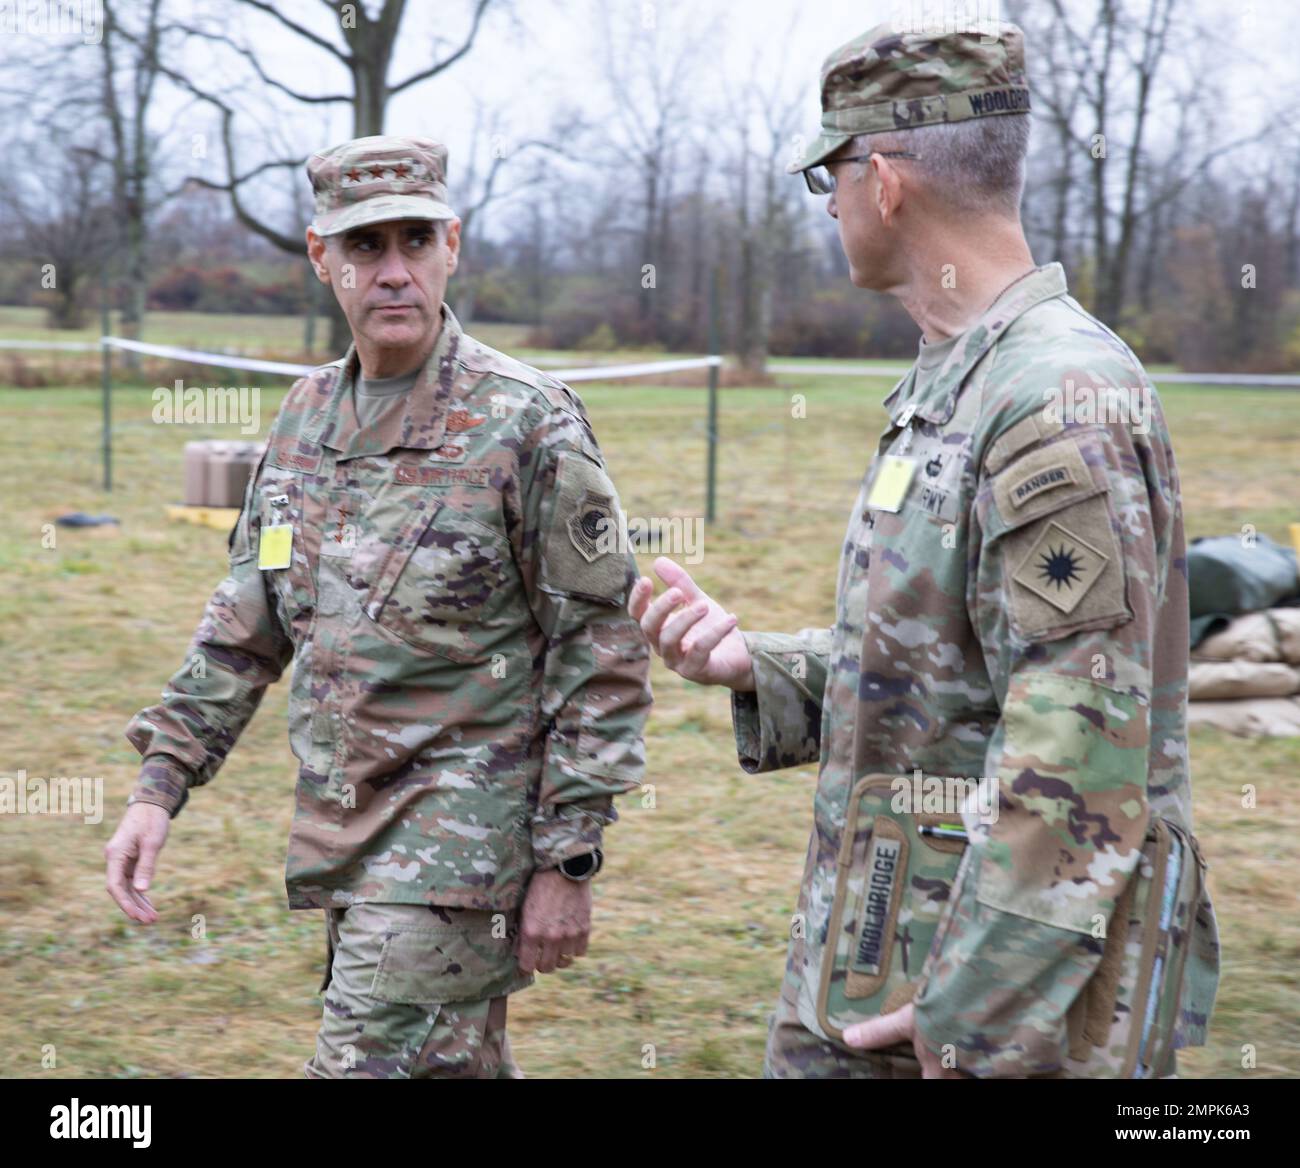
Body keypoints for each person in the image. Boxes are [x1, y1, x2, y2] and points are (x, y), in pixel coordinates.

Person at [630, 23, 1219, 1078]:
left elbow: (1078, 744)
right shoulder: (962, 376)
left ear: (885, 181)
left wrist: (974, 1016)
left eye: (829, 176)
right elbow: (958, 673)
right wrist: (754, 664)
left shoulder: (1051, 401)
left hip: (976, 1007)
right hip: (893, 952)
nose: (830, 206)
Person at [107, 135, 653, 1079]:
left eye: (414, 242)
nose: (393, 272)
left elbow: (599, 646)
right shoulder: (305, 417)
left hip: (456, 856)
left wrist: (570, 859)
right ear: (323, 260)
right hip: (344, 843)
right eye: (365, 248)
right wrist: (161, 786)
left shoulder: (526, 421)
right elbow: (248, 621)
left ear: (453, 246)